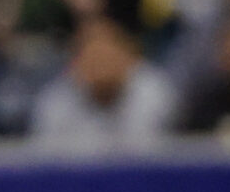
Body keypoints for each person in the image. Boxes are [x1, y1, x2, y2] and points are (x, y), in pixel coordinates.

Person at [29, 11, 176, 144]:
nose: (101, 65)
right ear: (76, 63)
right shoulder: (56, 102)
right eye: (93, 57)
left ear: (129, 56)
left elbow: (158, 157)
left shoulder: (156, 92)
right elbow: (47, 164)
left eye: (108, 56)